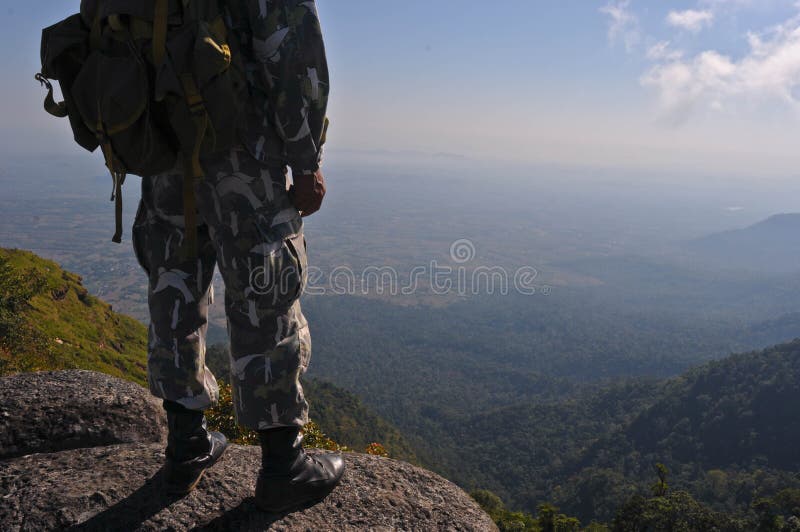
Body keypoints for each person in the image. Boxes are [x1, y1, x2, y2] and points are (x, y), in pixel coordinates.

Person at [129, 0, 344, 511]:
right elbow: (293, 55)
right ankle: (281, 466)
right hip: (240, 151)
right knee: (265, 287)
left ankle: (186, 445)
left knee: (174, 282)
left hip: (161, 144)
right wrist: (306, 159)